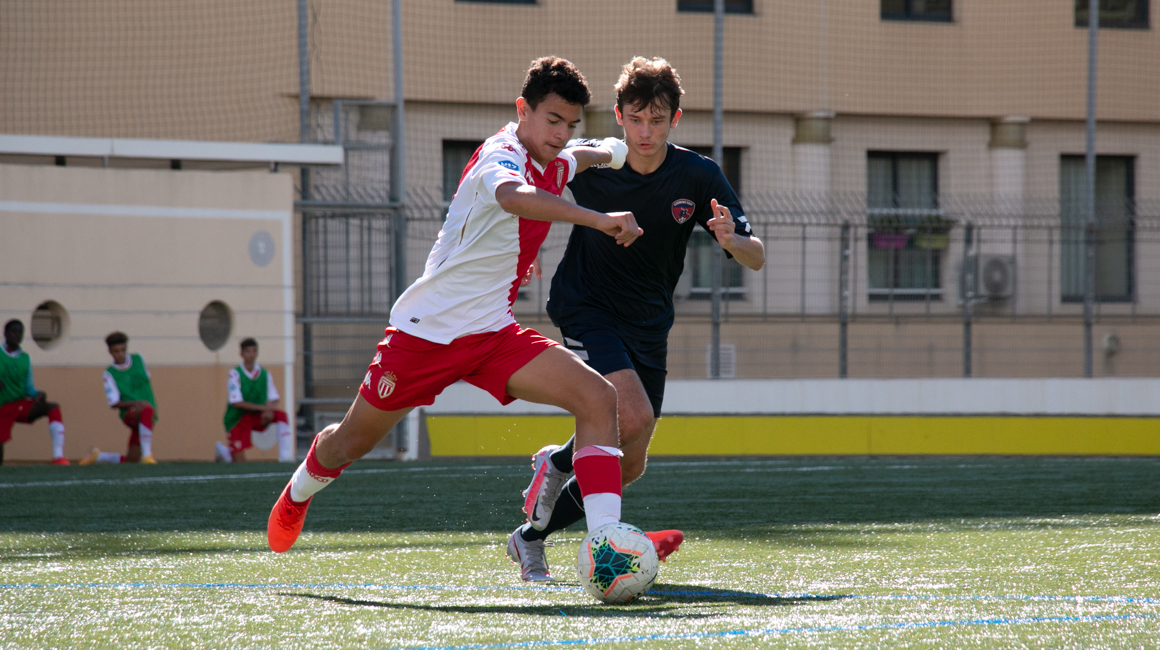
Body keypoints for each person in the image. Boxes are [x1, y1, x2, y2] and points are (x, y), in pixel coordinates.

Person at [266, 57, 643, 573]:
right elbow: (514, 197)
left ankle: (605, 547)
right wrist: (597, 219)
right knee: (351, 441)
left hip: (493, 334)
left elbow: (588, 154)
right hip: (426, 335)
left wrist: (621, 148)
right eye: (552, 120)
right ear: (523, 110)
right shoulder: (499, 154)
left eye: (570, 124)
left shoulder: (559, 156)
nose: (560, 134)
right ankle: (298, 491)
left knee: (599, 397)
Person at [512, 57, 766, 576]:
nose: (645, 132)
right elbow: (532, 188)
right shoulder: (595, 161)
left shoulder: (698, 175)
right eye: (635, 119)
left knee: (629, 462)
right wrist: (525, 246)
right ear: (618, 117)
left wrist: (732, 240)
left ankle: (531, 533)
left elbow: (756, 255)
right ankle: (561, 474)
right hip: (587, 305)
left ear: (675, 119)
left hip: (649, 322)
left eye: (656, 120)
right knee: (633, 415)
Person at [81, 331, 158, 464]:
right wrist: (135, 403)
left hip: (148, 413)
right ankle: (147, 456)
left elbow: (147, 379)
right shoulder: (109, 373)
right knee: (146, 410)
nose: (120, 354)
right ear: (110, 352)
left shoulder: (138, 359)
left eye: (123, 350)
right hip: (130, 413)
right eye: (116, 351)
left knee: (131, 460)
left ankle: (98, 457)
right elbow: (114, 403)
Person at [0, 319, 69, 465]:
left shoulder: (26, 358)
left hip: (19, 404)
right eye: (13, 331)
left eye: (20, 332)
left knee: (52, 408)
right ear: (5, 333)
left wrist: (38, 393)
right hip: (3, 407)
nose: (17, 335)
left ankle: (58, 457)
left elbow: (28, 388)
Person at [218, 337, 295, 463]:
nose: (251, 354)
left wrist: (269, 410)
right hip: (237, 419)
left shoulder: (264, 373)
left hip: (257, 416)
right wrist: (264, 408)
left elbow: (274, 398)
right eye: (248, 351)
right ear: (241, 354)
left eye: (254, 351)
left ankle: (285, 456)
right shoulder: (235, 374)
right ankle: (224, 452)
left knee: (281, 416)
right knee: (239, 461)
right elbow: (236, 402)